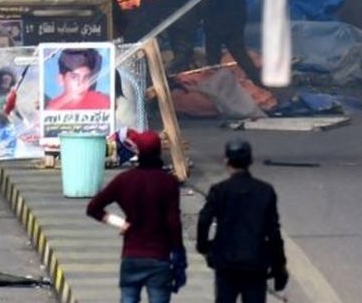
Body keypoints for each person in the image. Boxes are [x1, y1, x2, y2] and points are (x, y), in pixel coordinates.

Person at [88, 130, 185, 303]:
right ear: (159, 152)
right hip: (160, 256)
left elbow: (94, 208)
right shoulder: (168, 182)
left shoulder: (124, 180)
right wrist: (178, 254)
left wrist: (120, 223)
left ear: (138, 151)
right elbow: (173, 222)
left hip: (131, 256)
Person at [197, 138, 287, 303]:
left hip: (226, 261)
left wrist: (204, 247)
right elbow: (273, 232)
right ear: (250, 161)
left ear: (226, 161)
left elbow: (204, 220)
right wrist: (279, 265)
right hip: (255, 261)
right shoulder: (265, 190)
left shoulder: (220, 190)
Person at [203, 0, 264, 88]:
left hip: (219, 18)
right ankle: (258, 81)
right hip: (236, 17)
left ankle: (216, 86)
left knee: (213, 54)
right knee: (240, 53)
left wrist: (206, 11)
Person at [46, 48, 112, 110]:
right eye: (74, 77)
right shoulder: (50, 109)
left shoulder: (100, 102)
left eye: (86, 77)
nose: (81, 84)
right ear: (60, 79)